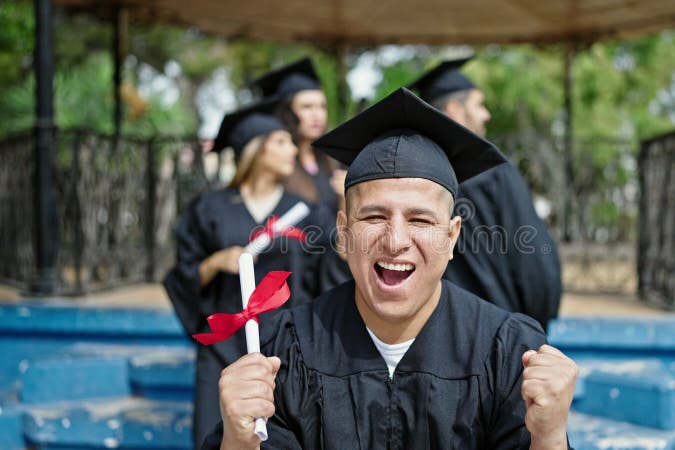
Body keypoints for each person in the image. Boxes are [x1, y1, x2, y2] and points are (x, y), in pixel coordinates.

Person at [201, 88, 577, 449]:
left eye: (420, 221)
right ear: (344, 233)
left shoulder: (508, 354)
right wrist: (238, 442)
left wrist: (549, 439)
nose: (396, 240)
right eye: (375, 216)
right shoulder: (284, 352)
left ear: (451, 237)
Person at [163, 97, 333, 448]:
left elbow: (324, 280)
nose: (293, 150)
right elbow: (183, 275)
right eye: (282, 141)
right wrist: (214, 263)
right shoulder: (209, 209)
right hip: (223, 349)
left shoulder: (306, 212)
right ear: (255, 150)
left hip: (287, 352)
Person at [408, 56, 562, 331]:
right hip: (498, 331)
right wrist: (537, 321)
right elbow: (535, 266)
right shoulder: (492, 172)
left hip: (435, 334)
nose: (486, 114)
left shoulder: (412, 174)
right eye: (479, 105)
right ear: (455, 109)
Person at [251, 57, 344, 212]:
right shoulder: (279, 165)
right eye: (307, 107)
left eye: (322, 106)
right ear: (288, 113)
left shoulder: (333, 161)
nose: (317, 114)